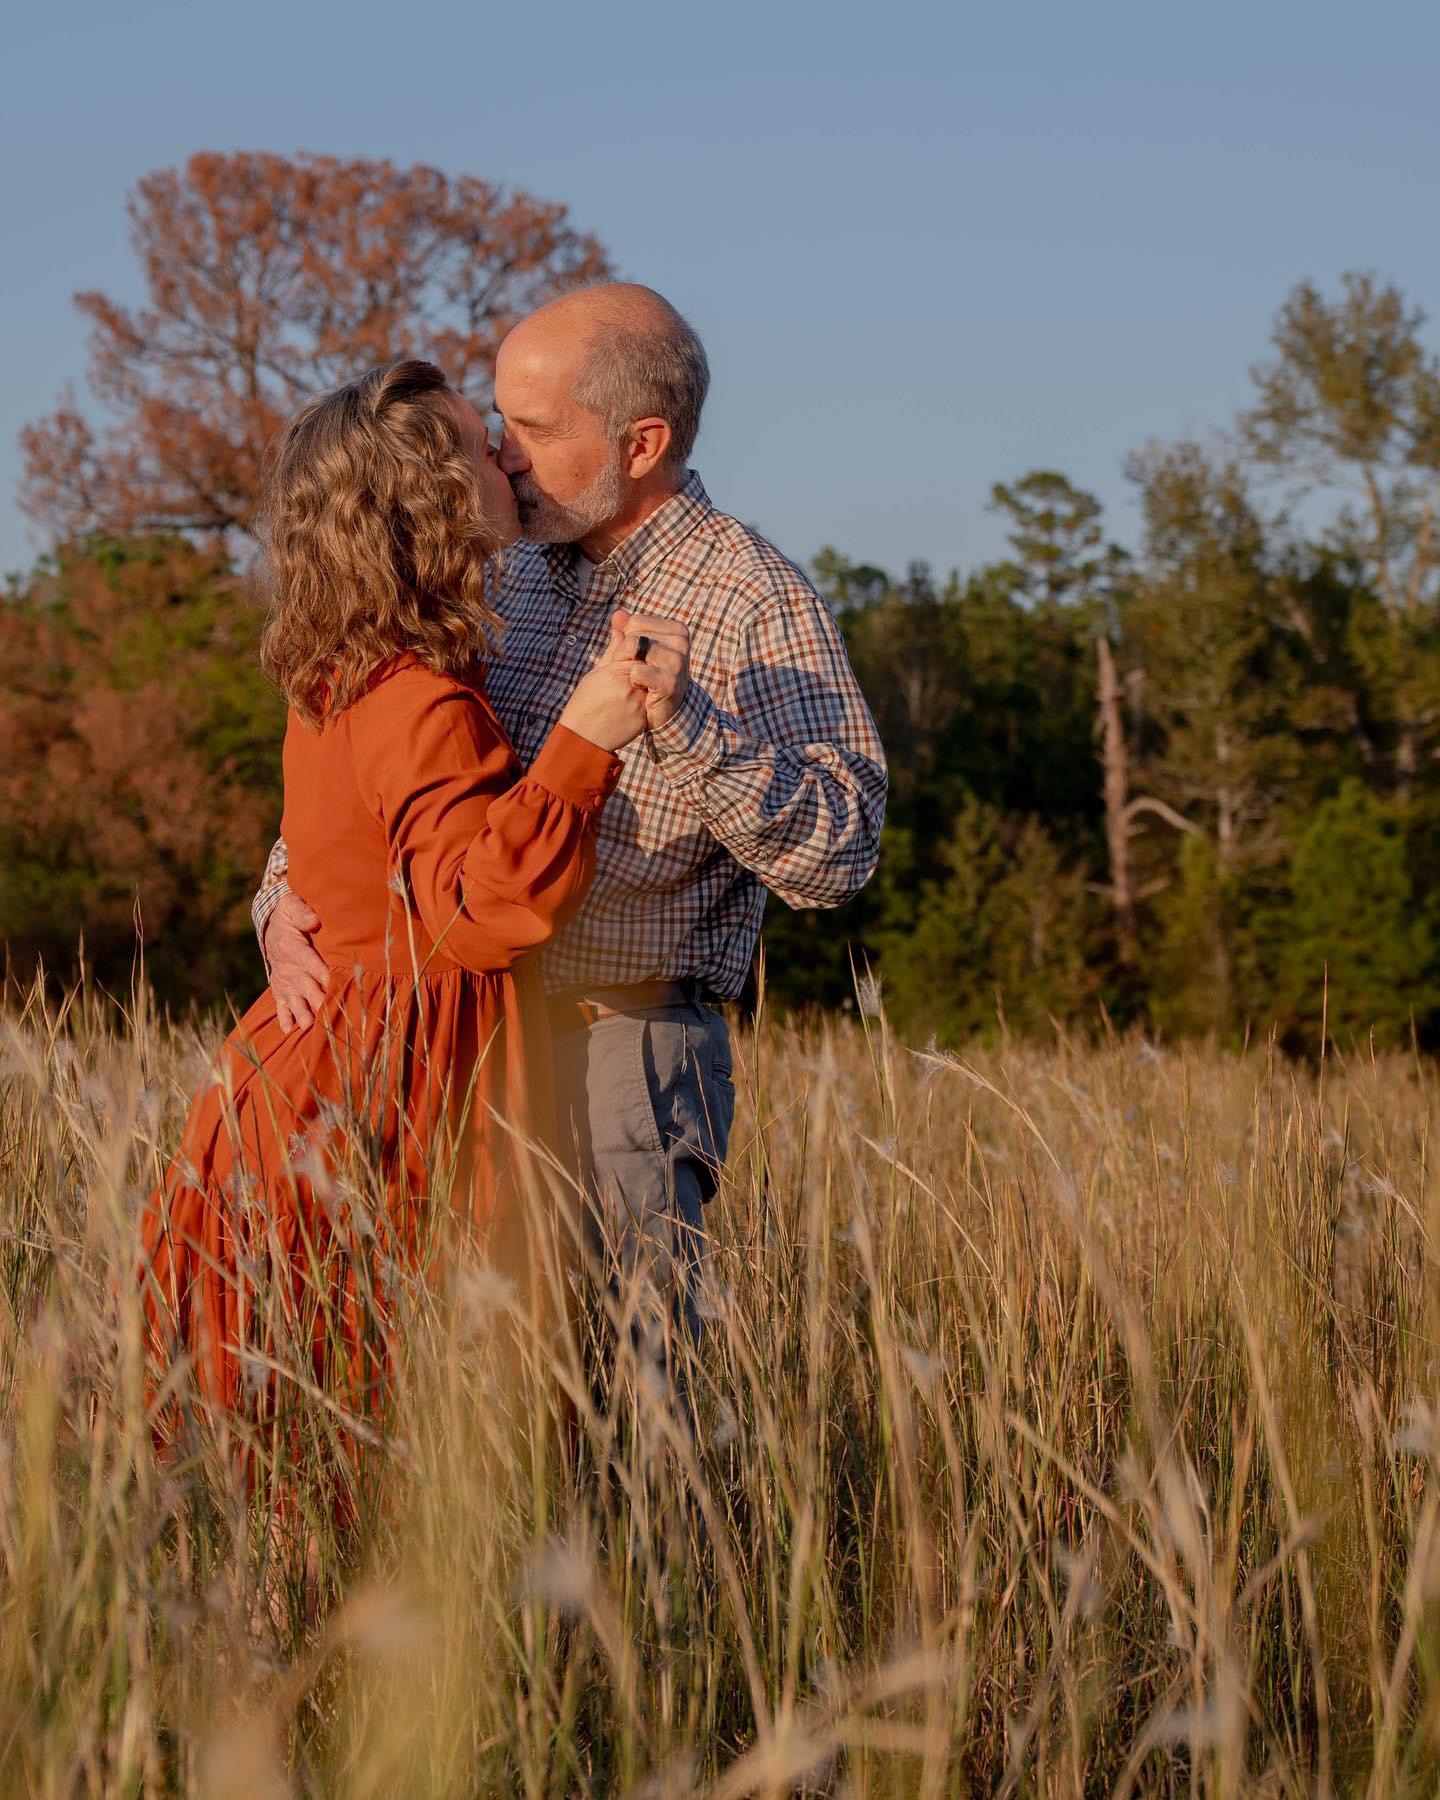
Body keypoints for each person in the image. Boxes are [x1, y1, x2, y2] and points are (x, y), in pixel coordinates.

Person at [256, 285, 887, 1372]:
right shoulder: (499, 567)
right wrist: (281, 900)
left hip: (618, 1052)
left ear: (641, 444)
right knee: (473, 1400)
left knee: (628, 1391)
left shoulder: (753, 598)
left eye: (535, 430)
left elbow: (840, 854)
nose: (503, 454)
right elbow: (392, 773)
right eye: (499, 421)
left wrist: (683, 722)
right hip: (452, 1053)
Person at [140, 359, 653, 1458]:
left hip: (296, 1075)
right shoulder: (422, 699)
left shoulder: (338, 672)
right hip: (375, 1088)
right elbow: (480, 911)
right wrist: (588, 739)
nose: (505, 455)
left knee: (285, 1436)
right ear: (435, 497)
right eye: (480, 444)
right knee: (368, 1428)